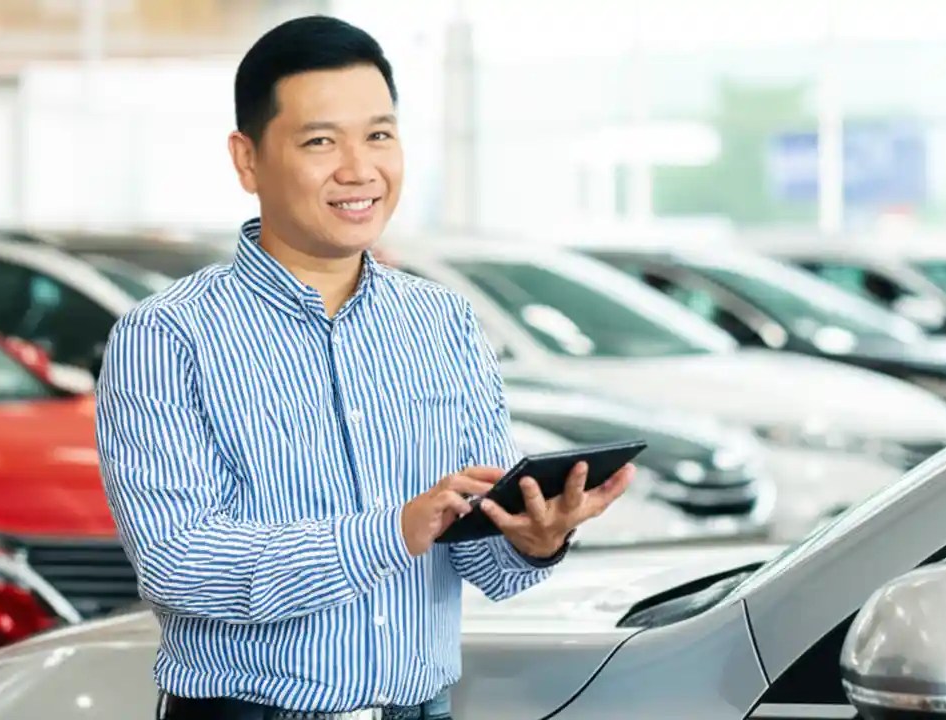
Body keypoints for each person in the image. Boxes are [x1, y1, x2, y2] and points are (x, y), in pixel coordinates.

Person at [94, 14, 635, 720]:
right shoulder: (167, 337)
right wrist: (389, 532)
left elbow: (472, 554)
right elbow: (181, 566)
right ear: (247, 159)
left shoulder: (443, 323)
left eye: (379, 135)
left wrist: (534, 539)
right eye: (321, 141)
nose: (359, 169)